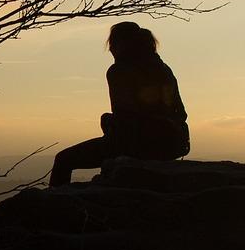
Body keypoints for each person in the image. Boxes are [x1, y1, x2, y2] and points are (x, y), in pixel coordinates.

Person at [49, 21, 189, 186]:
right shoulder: (163, 69)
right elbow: (181, 113)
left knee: (63, 160)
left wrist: (107, 122)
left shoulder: (119, 71)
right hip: (172, 143)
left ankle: (54, 208)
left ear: (119, 45)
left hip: (137, 144)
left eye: (111, 44)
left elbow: (125, 119)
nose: (110, 49)